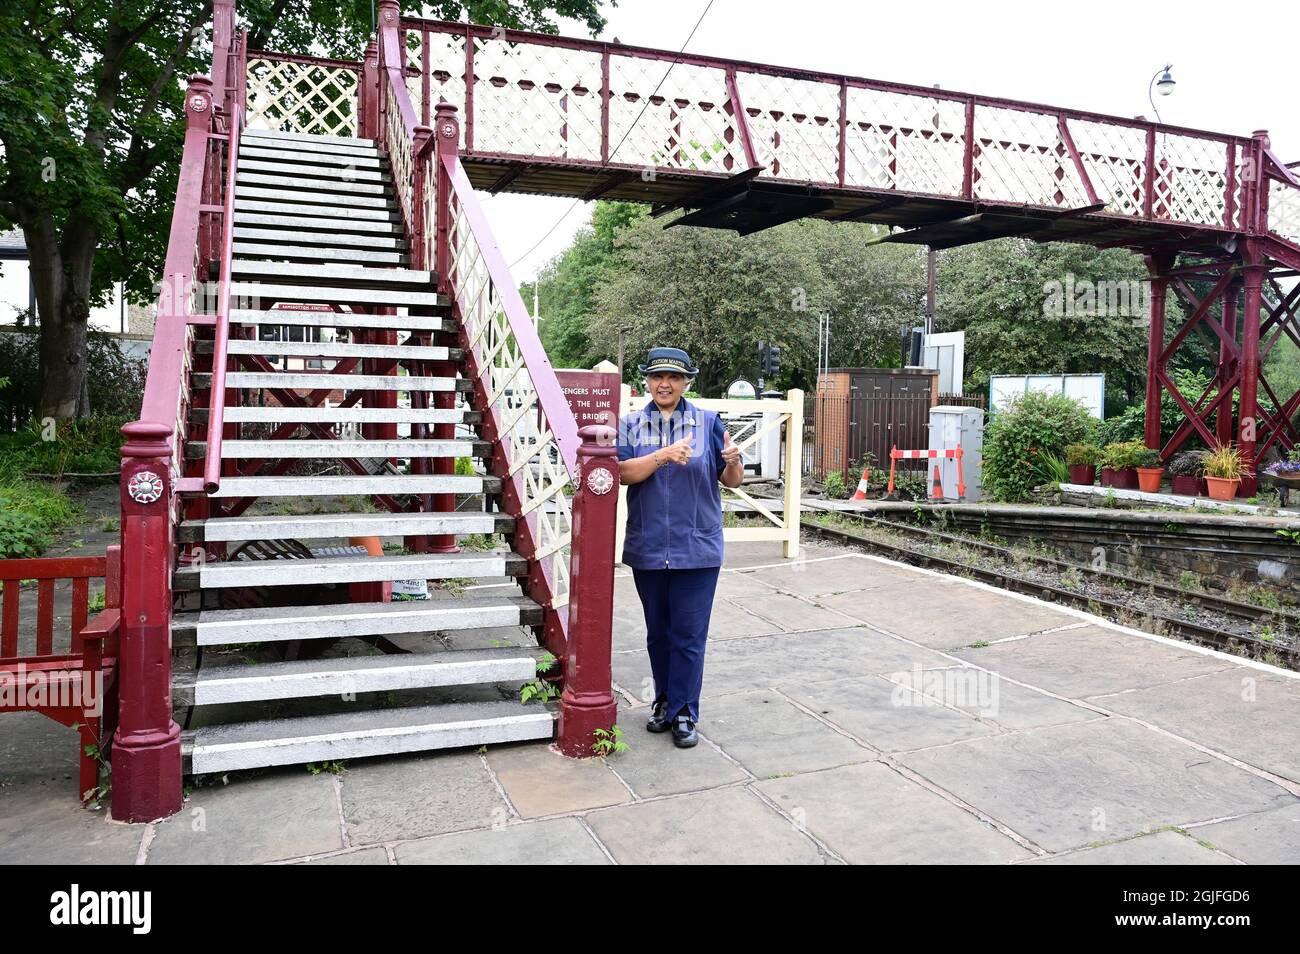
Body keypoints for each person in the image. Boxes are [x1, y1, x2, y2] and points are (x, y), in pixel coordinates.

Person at [617, 347, 744, 747]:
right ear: (647, 381)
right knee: (658, 632)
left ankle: (686, 712)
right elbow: (621, 473)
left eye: (673, 377)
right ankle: (665, 702)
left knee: (689, 634)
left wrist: (735, 461)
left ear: (688, 381)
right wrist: (662, 456)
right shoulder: (630, 425)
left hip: (698, 549)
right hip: (649, 546)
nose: (665, 384)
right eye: (657, 377)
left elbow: (732, 480)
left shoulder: (708, 423)